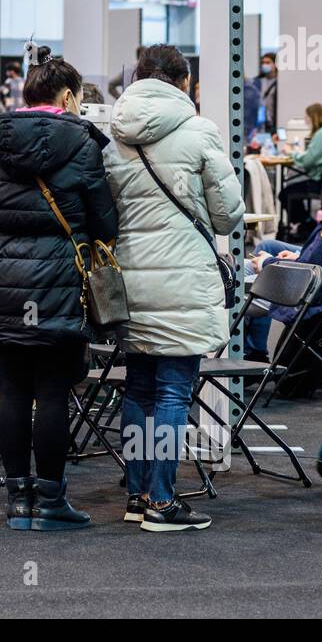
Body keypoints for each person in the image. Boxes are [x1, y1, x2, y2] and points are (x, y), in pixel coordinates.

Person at [0, 48, 118, 530]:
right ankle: (50, 501)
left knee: (12, 389)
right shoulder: (83, 144)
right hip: (57, 282)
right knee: (53, 391)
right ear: (69, 96)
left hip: (3, 281)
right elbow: (104, 221)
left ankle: (17, 502)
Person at [104, 44, 244, 532]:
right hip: (184, 280)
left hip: (130, 282)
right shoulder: (200, 131)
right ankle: (163, 503)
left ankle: (137, 496)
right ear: (184, 83)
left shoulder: (113, 138)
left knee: (139, 390)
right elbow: (228, 214)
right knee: (172, 394)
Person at [271, 103, 322, 239]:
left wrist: (292, 153)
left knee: (285, 193)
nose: (305, 120)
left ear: (313, 117)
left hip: (319, 183)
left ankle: (306, 224)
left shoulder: (321, 134)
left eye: (307, 117)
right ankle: (305, 222)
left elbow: (308, 161)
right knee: (292, 189)